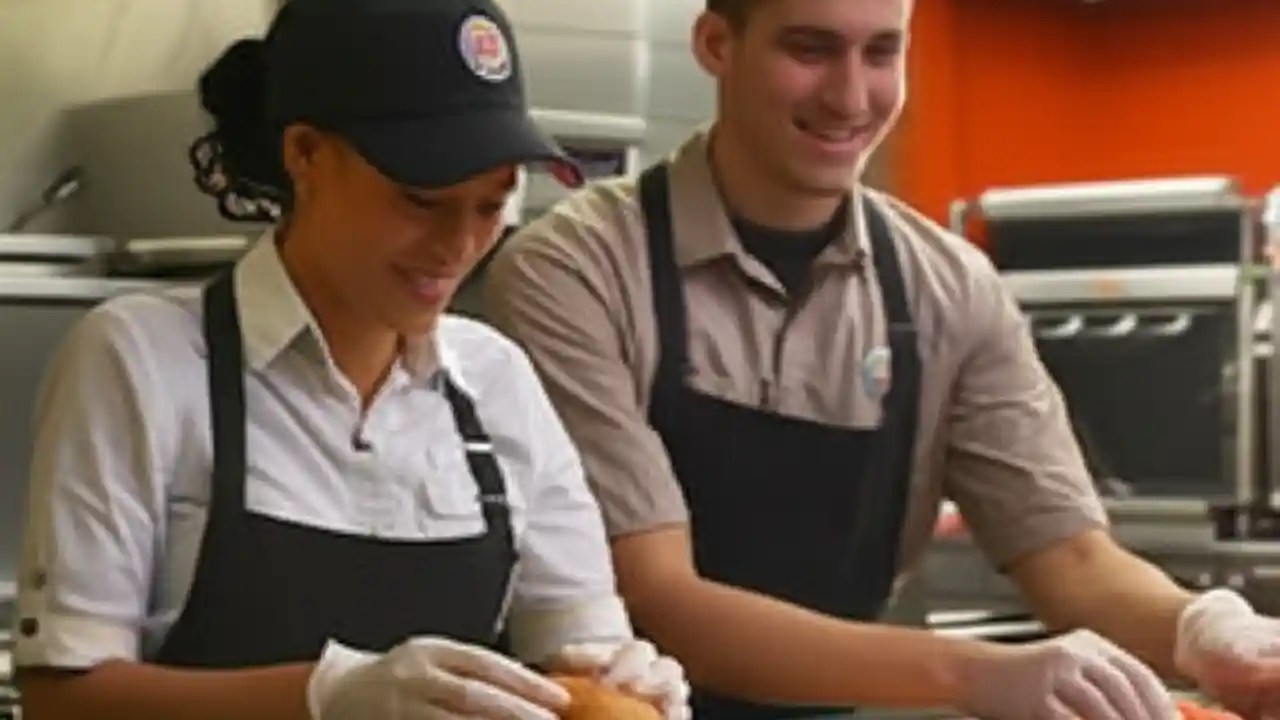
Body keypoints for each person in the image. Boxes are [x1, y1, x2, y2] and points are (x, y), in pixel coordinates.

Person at [482, 0, 1280, 718]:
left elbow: (1069, 554)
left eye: (882, 52)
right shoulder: (577, 266)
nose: (851, 97)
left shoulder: (947, 285)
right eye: (811, 49)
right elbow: (660, 598)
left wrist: (1206, 629)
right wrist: (977, 675)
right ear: (717, 43)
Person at [10, 1, 692, 719]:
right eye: (422, 202)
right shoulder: (143, 358)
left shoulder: (496, 381)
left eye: (490, 206)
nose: (458, 246)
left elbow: (574, 650)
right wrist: (322, 698)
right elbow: (63, 696)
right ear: (304, 153)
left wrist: (621, 680)